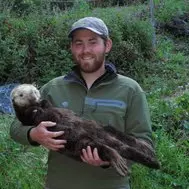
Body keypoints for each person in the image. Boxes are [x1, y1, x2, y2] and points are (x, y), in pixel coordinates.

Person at [10, 17, 154, 189]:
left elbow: (144, 142)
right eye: (78, 43)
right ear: (71, 47)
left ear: (107, 45)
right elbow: (15, 128)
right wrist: (34, 134)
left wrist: (108, 159)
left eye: (92, 42)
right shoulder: (52, 88)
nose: (85, 50)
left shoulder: (130, 89)